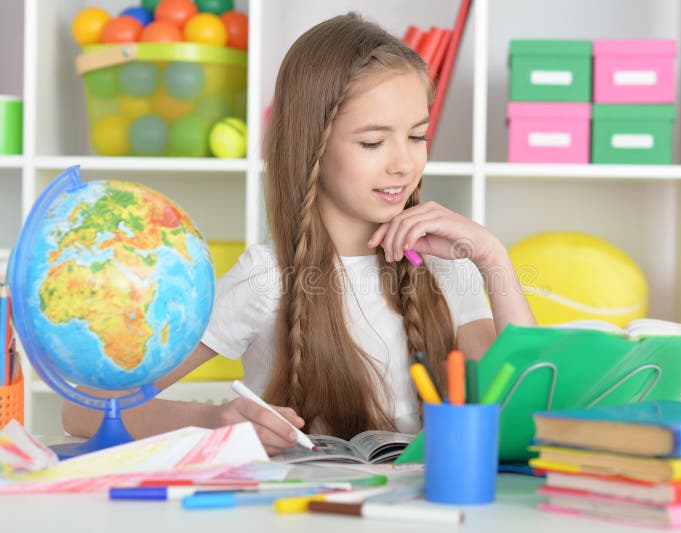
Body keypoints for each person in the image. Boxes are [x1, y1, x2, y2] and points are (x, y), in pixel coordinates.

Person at [63, 12, 536, 455]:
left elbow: (525, 409)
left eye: (417, 136)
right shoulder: (266, 277)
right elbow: (81, 409)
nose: (404, 163)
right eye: (372, 141)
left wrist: (492, 257)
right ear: (312, 144)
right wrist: (214, 419)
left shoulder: (449, 268)